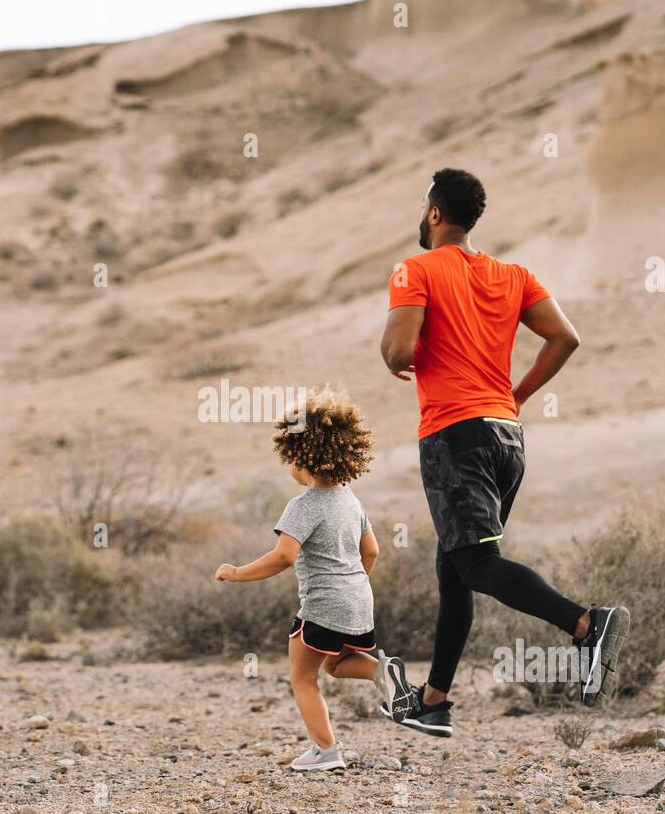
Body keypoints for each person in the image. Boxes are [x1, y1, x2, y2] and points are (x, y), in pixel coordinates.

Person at [379, 168, 630, 738]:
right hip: (506, 436)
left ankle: (588, 623)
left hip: (453, 434)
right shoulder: (513, 273)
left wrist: (398, 350)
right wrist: (512, 397)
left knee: (474, 565)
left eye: (424, 212)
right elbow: (566, 337)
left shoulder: (414, 269)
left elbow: (397, 351)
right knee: (455, 568)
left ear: (435, 214)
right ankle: (434, 702)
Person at [215, 390, 417, 770]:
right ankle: (380, 670)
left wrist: (238, 573)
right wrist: (353, 584)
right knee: (336, 664)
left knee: (303, 677)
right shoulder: (350, 499)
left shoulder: (304, 506)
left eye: (290, 458)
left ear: (301, 459)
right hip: (360, 600)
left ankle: (326, 752)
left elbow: (283, 557)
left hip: (324, 605)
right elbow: (371, 551)